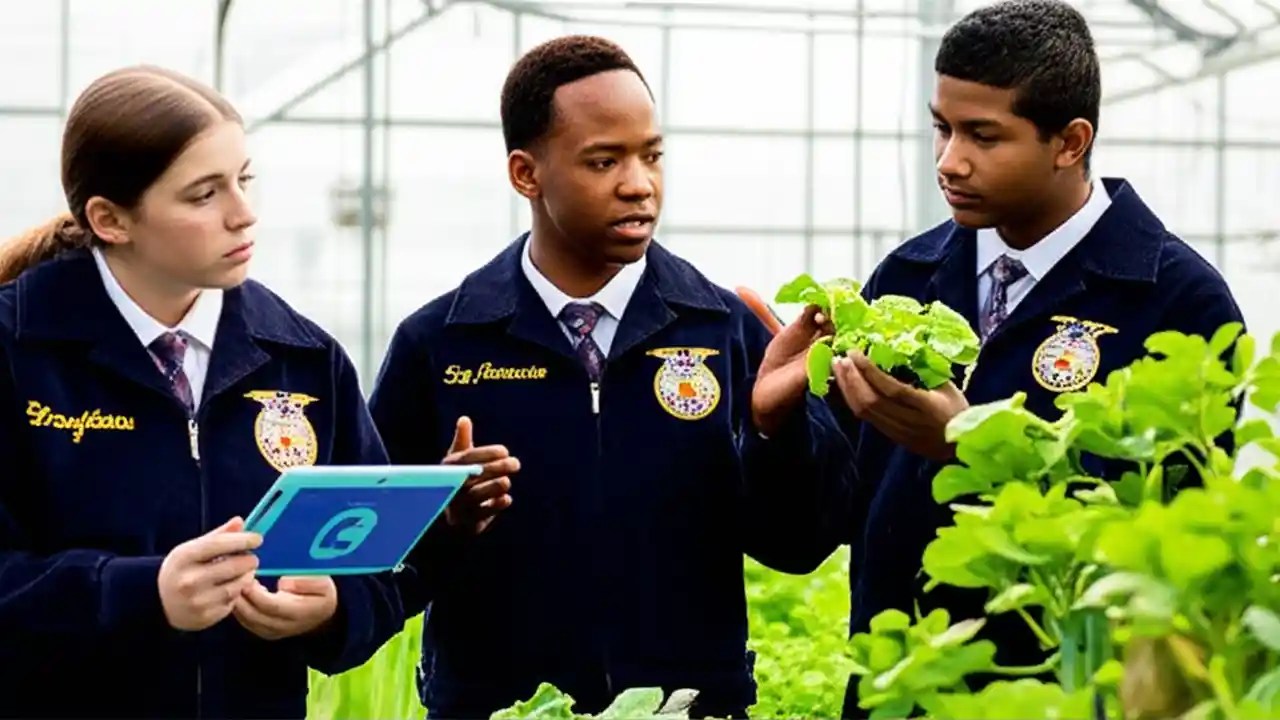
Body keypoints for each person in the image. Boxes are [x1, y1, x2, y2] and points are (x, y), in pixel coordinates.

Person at [742, 1, 1245, 716]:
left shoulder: (1176, 302)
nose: (949, 161)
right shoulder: (906, 280)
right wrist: (775, 426)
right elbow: (800, 541)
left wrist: (973, 449)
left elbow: (1171, 555)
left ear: (1069, 142)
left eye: (983, 135)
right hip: (897, 698)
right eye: (942, 128)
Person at [369, 35, 855, 718]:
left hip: (689, 707)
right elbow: (373, 565)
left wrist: (778, 429)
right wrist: (446, 521)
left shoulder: (723, 329)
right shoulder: (441, 344)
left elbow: (800, 546)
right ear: (526, 174)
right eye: (604, 161)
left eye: (651, 155)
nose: (639, 183)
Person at [0, 66, 408, 719]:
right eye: (204, 194)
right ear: (110, 219)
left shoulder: (303, 360)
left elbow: (382, 574)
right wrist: (141, 593)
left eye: (244, 180)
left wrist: (334, 610)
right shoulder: (15, 353)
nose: (243, 214)